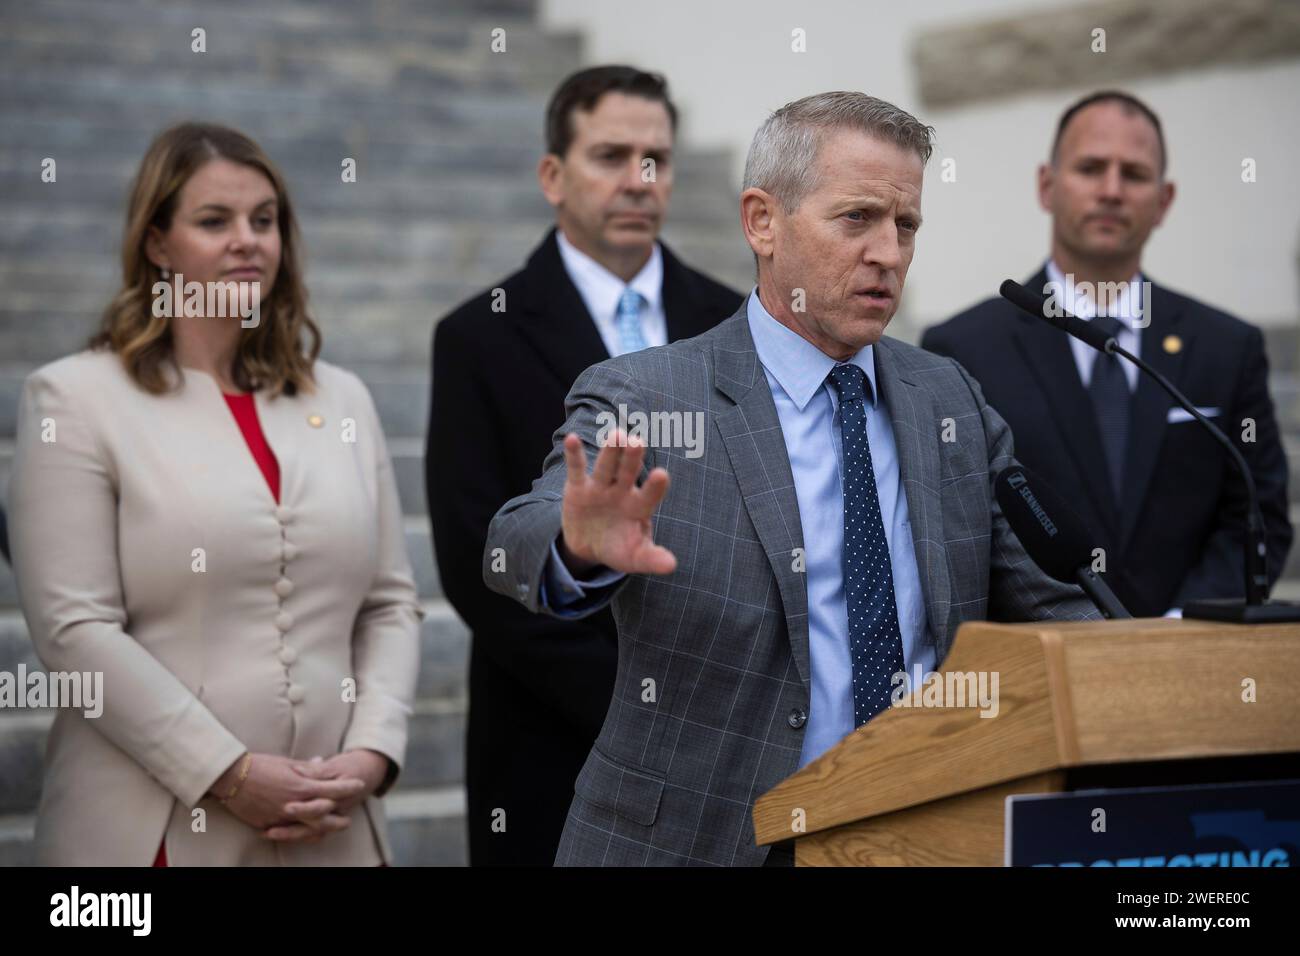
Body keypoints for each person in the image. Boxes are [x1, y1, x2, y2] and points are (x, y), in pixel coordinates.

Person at [481, 92, 1099, 867]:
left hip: (920, 835)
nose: (888, 253)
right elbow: (512, 541)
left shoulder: (949, 400)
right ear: (762, 222)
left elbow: (1055, 600)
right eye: (857, 218)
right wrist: (578, 547)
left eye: (906, 225)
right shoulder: (651, 396)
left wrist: (1157, 669)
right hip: (703, 842)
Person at [7, 122, 422, 865]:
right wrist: (229, 774)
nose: (247, 241)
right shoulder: (74, 399)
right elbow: (74, 630)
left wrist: (372, 753)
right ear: (157, 244)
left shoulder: (345, 399)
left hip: (331, 828)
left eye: (264, 220)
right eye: (214, 221)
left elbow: (389, 603)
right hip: (151, 832)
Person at [428, 65, 741, 867]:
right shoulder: (477, 337)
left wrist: (710, 714)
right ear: (553, 176)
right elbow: (477, 560)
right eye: (610, 156)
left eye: (655, 159)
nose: (639, 180)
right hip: (552, 743)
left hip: (728, 738)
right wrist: (641, 713)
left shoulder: (738, 321)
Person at [922, 91, 1291, 616]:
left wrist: (1178, 630)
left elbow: (1257, 518)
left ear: (1164, 201)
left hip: (1189, 649)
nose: (1112, 190)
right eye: (1091, 168)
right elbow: (958, 533)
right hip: (1036, 654)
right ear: (1047, 186)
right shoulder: (963, 349)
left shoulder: (1227, 348)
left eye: (1134, 174)